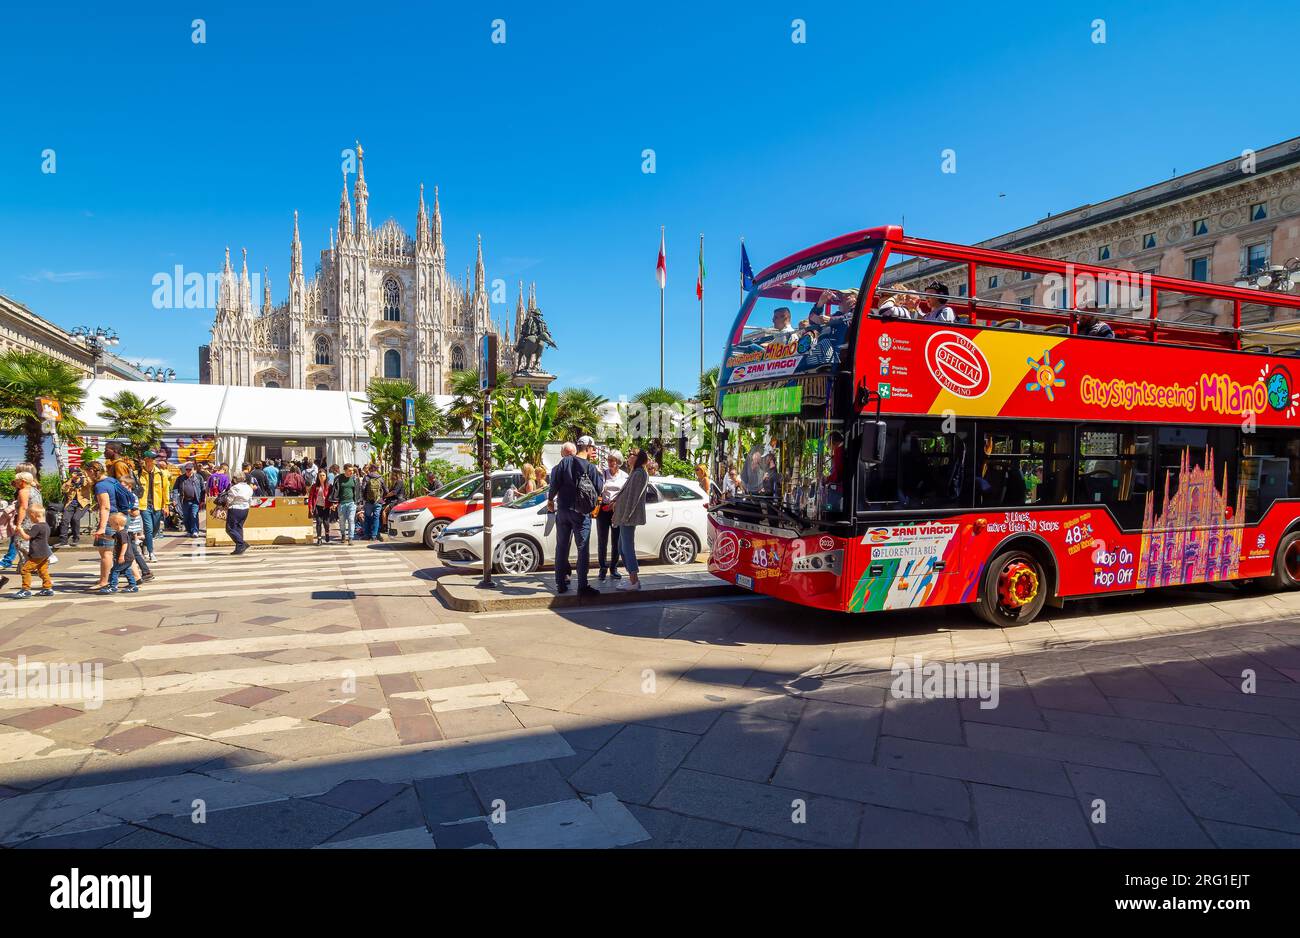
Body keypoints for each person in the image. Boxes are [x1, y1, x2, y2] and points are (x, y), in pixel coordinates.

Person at [546, 441, 603, 596]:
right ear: (589, 448)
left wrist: (550, 500)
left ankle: (560, 583)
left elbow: (554, 483)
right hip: (581, 512)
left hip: (563, 510)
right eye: (593, 449)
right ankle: (582, 586)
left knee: (562, 547)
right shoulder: (590, 467)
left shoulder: (564, 462)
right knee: (582, 549)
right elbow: (599, 488)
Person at [611, 448, 651, 592]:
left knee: (627, 547)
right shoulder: (635, 472)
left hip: (628, 516)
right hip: (624, 516)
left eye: (632, 455)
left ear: (638, 458)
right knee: (622, 546)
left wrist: (625, 515)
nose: (629, 457)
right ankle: (632, 578)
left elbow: (633, 498)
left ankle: (634, 580)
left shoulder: (639, 473)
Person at [0, 465, 42, 573]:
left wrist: (18, 523)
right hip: (36, 519)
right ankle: (25, 567)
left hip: (27, 521)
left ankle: (38, 563)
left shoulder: (23, 491)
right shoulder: (35, 489)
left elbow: (23, 507)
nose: (15, 482)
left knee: (21, 544)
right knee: (27, 543)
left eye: (17, 480)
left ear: (22, 481)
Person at [596, 449, 626, 581]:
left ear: (618, 462)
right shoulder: (603, 473)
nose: (609, 462)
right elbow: (599, 489)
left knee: (616, 540)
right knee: (602, 540)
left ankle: (613, 568)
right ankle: (602, 568)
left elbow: (625, 493)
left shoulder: (624, 476)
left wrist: (617, 502)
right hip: (603, 509)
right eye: (608, 460)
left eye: (612, 460)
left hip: (617, 509)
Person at [13, 504, 54, 598]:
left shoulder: (37, 527)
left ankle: (25, 590)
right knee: (42, 570)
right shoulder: (46, 526)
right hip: (45, 553)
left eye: (30, 517)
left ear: (34, 515)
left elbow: (27, 537)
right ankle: (47, 588)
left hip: (37, 554)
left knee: (25, 569)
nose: (30, 519)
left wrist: (20, 530)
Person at [140, 451, 171, 562]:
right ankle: (151, 552)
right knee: (148, 529)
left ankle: (144, 544)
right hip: (144, 505)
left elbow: (165, 490)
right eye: (151, 458)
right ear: (146, 459)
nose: (153, 461)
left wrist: (166, 505)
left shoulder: (162, 474)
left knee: (155, 529)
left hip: (157, 506)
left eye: (154, 459)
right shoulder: (138, 473)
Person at [101, 512, 138, 594]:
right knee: (127, 571)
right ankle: (133, 586)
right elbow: (111, 538)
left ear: (116, 524)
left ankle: (113, 587)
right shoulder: (119, 533)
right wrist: (102, 536)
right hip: (128, 557)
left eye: (111, 524)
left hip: (125, 557)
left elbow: (125, 544)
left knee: (115, 570)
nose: (110, 525)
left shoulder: (122, 534)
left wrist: (121, 556)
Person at [58, 465, 92, 547]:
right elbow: (64, 490)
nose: (76, 474)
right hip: (70, 503)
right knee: (65, 520)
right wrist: (71, 480)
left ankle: (76, 539)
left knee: (75, 518)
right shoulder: (69, 482)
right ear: (70, 474)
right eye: (74, 472)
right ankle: (63, 541)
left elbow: (91, 484)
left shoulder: (85, 481)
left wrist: (86, 475)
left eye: (77, 472)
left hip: (83, 503)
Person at [224, 472, 254, 555]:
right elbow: (250, 499)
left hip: (235, 508)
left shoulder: (234, 488)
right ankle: (239, 547)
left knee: (230, 528)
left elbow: (230, 499)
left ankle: (242, 543)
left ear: (235, 479)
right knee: (239, 527)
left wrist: (226, 505)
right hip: (245, 508)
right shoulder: (248, 487)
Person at [173, 463, 205, 538]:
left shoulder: (198, 477)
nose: (188, 471)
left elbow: (203, 489)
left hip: (195, 500)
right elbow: (175, 489)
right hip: (184, 501)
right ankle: (189, 531)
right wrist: (174, 499)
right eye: (186, 469)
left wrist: (203, 500)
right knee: (186, 517)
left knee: (194, 515)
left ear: (193, 470)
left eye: (189, 470)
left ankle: (195, 531)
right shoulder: (180, 478)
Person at [332, 464, 358, 544]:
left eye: (352, 470)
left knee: (351, 519)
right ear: (345, 470)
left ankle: (350, 537)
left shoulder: (354, 478)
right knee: (342, 521)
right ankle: (343, 534)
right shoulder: (338, 478)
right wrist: (335, 502)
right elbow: (335, 491)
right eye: (350, 470)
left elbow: (358, 490)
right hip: (342, 503)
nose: (352, 472)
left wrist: (357, 501)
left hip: (351, 503)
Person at [360, 465, 386, 541]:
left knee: (367, 517)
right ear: (377, 469)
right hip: (378, 501)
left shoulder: (366, 477)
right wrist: (382, 497)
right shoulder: (380, 478)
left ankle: (367, 535)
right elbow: (386, 490)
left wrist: (365, 498)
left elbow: (363, 488)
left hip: (368, 501)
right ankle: (374, 536)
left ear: (370, 469)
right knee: (376, 517)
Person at [308, 471, 334, 544]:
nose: (322, 477)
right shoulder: (314, 486)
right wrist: (310, 507)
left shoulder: (329, 486)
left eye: (323, 475)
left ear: (326, 476)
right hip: (318, 506)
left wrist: (333, 504)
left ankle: (327, 533)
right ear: (318, 477)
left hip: (326, 507)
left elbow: (332, 497)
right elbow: (310, 498)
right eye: (320, 475)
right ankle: (319, 538)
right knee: (318, 522)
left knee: (326, 523)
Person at [381, 469, 406, 533]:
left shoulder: (399, 482)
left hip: (398, 501)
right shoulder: (397, 482)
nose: (391, 476)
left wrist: (385, 496)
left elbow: (394, 492)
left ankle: (384, 527)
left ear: (395, 475)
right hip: (397, 500)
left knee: (384, 511)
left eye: (392, 474)